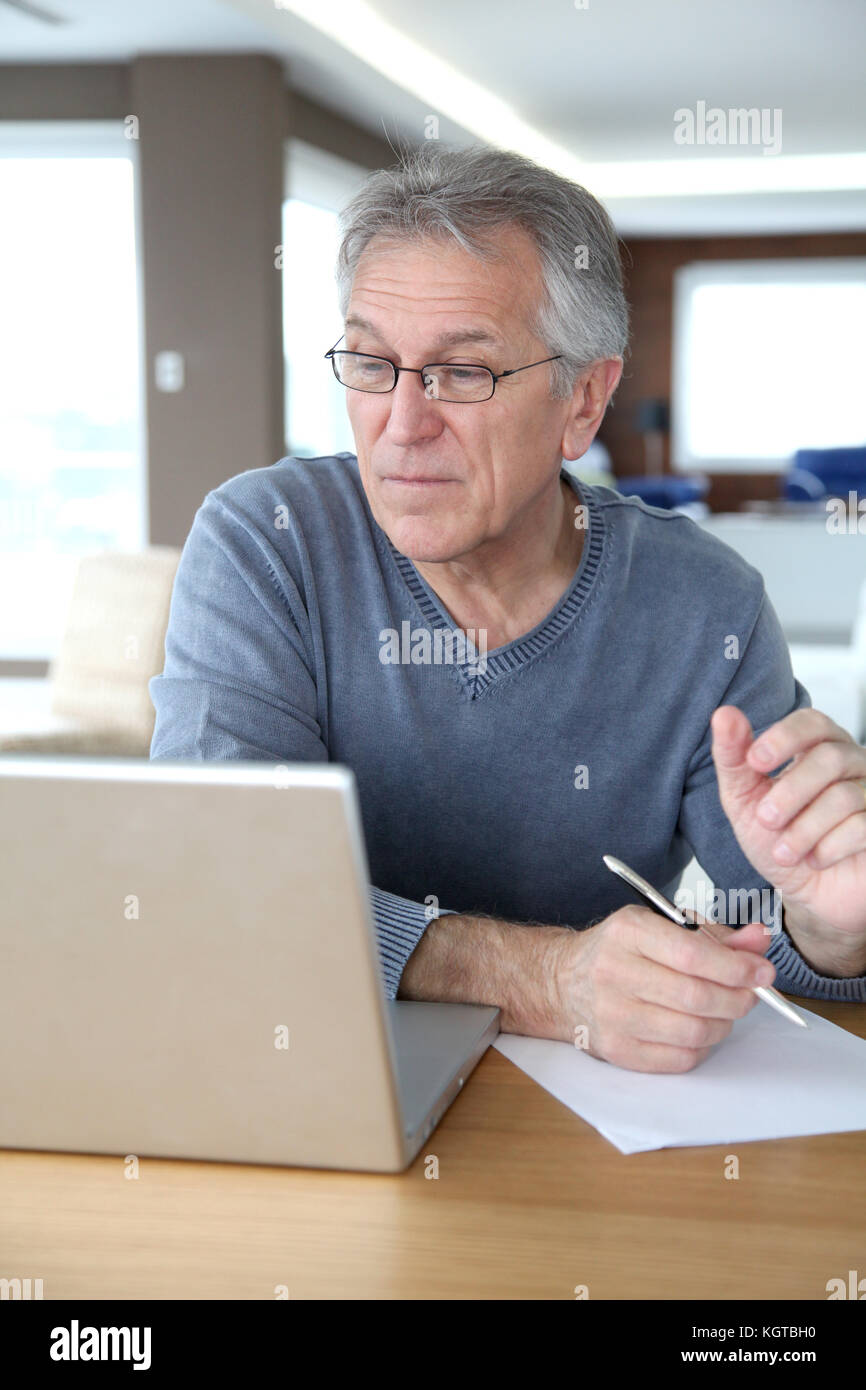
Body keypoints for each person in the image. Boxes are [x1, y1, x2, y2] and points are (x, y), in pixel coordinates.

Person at [150, 144, 866, 1073]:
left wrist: (831, 929)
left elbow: (772, 937)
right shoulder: (269, 539)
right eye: (372, 363)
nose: (402, 423)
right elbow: (209, 879)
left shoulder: (704, 605)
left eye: (462, 372)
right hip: (287, 1067)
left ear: (584, 400)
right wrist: (545, 978)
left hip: (588, 1118)